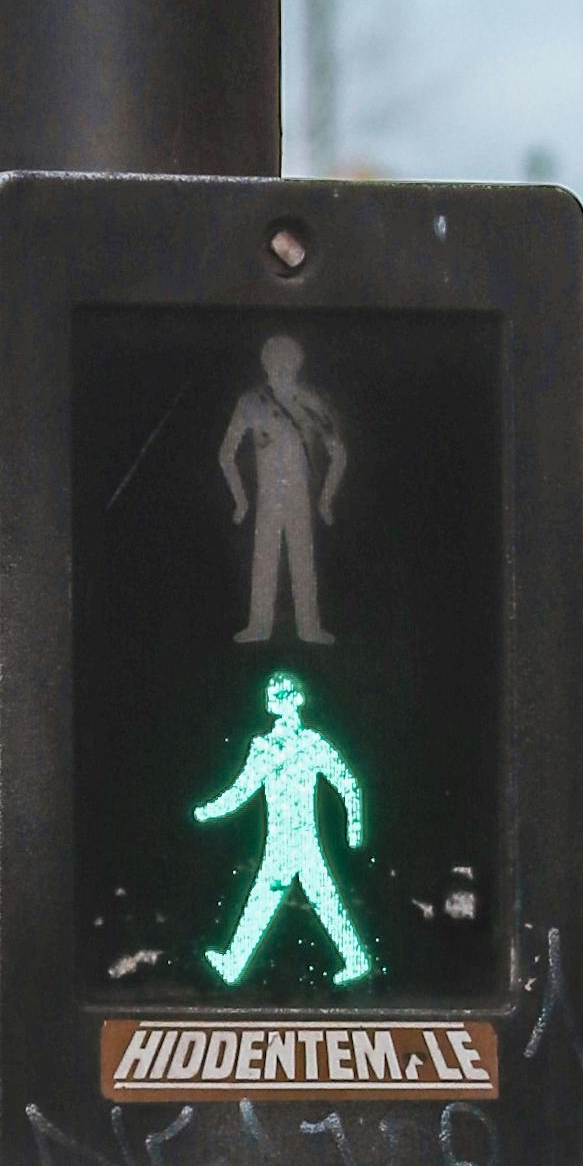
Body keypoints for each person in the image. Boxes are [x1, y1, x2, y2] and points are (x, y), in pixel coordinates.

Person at [197, 667, 376, 989]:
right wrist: (355, 830)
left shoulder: (287, 746)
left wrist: (356, 829)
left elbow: (241, 791)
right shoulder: (286, 746)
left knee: (281, 901)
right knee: (311, 900)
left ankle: (234, 964)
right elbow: (349, 786)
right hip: (292, 841)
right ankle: (355, 959)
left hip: (291, 843)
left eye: (278, 696)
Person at [217, 330, 346, 645]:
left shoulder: (312, 402)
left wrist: (327, 500)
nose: (281, 367)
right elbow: (225, 454)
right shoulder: (251, 402)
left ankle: (308, 627)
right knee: (266, 559)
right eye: (276, 361)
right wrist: (241, 500)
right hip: (268, 496)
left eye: (286, 361)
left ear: (297, 363)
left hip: (299, 494)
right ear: (265, 363)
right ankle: (261, 626)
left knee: (302, 559)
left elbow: (339, 454)